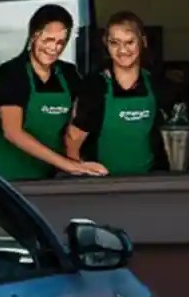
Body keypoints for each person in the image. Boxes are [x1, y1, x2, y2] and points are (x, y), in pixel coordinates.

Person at [0, 4, 109, 181]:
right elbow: (13, 132)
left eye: (60, 42)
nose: (54, 48)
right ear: (34, 35)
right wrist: (68, 165)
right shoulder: (11, 73)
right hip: (6, 178)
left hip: (46, 179)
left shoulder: (68, 74)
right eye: (48, 40)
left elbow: (82, 116)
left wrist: (107, 75)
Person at [66, 11, 175, 176]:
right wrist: (79, 176)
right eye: (114, 43)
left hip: (150, 182)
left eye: (130, 42)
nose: (122, 50)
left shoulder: (156, 84)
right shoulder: (95, 88)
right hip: (105, 185)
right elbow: (72, 140)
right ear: (106, 43)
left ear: (142, 42)